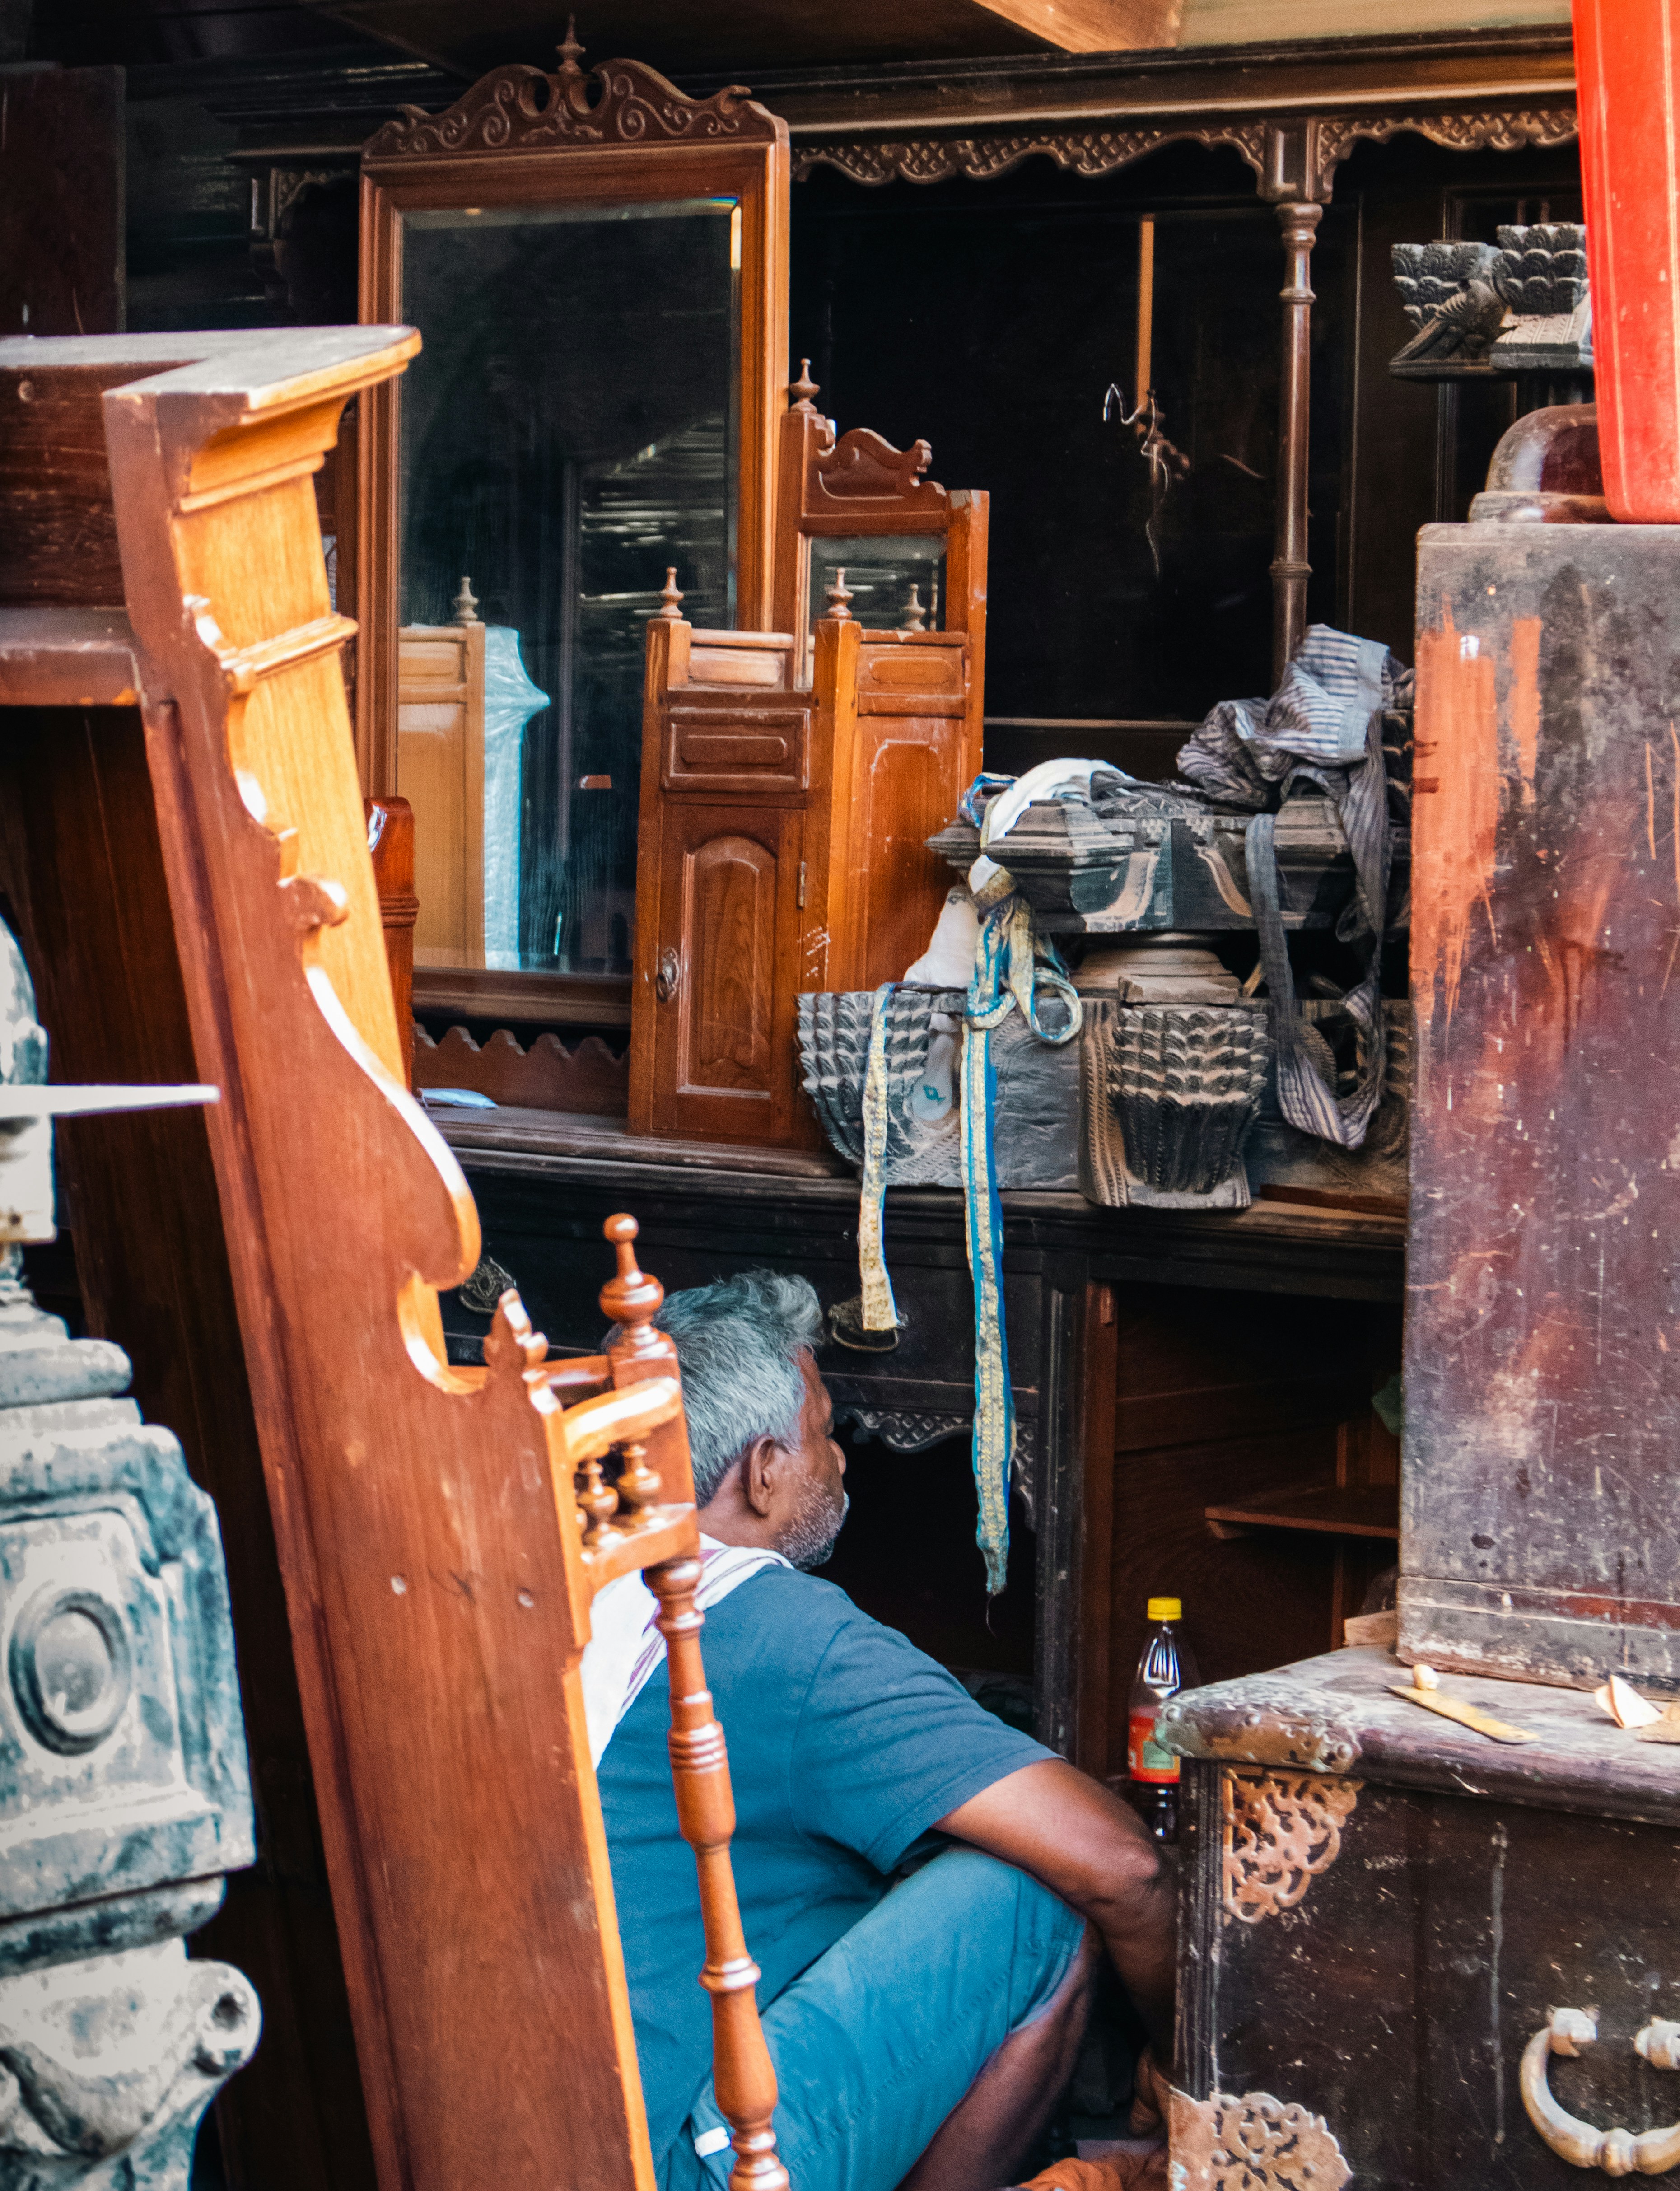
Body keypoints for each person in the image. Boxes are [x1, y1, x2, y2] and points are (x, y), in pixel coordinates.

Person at [592, 1270, 1173, 2191]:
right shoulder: (783, 1633)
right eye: (826, 1434)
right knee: (1036, 1890)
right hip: (686, 2161)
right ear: (764, 1468)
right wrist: (1183, 2070)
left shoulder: (564, 1584)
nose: (842, 1461)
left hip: (542, 2124)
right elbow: (1124, 1867)